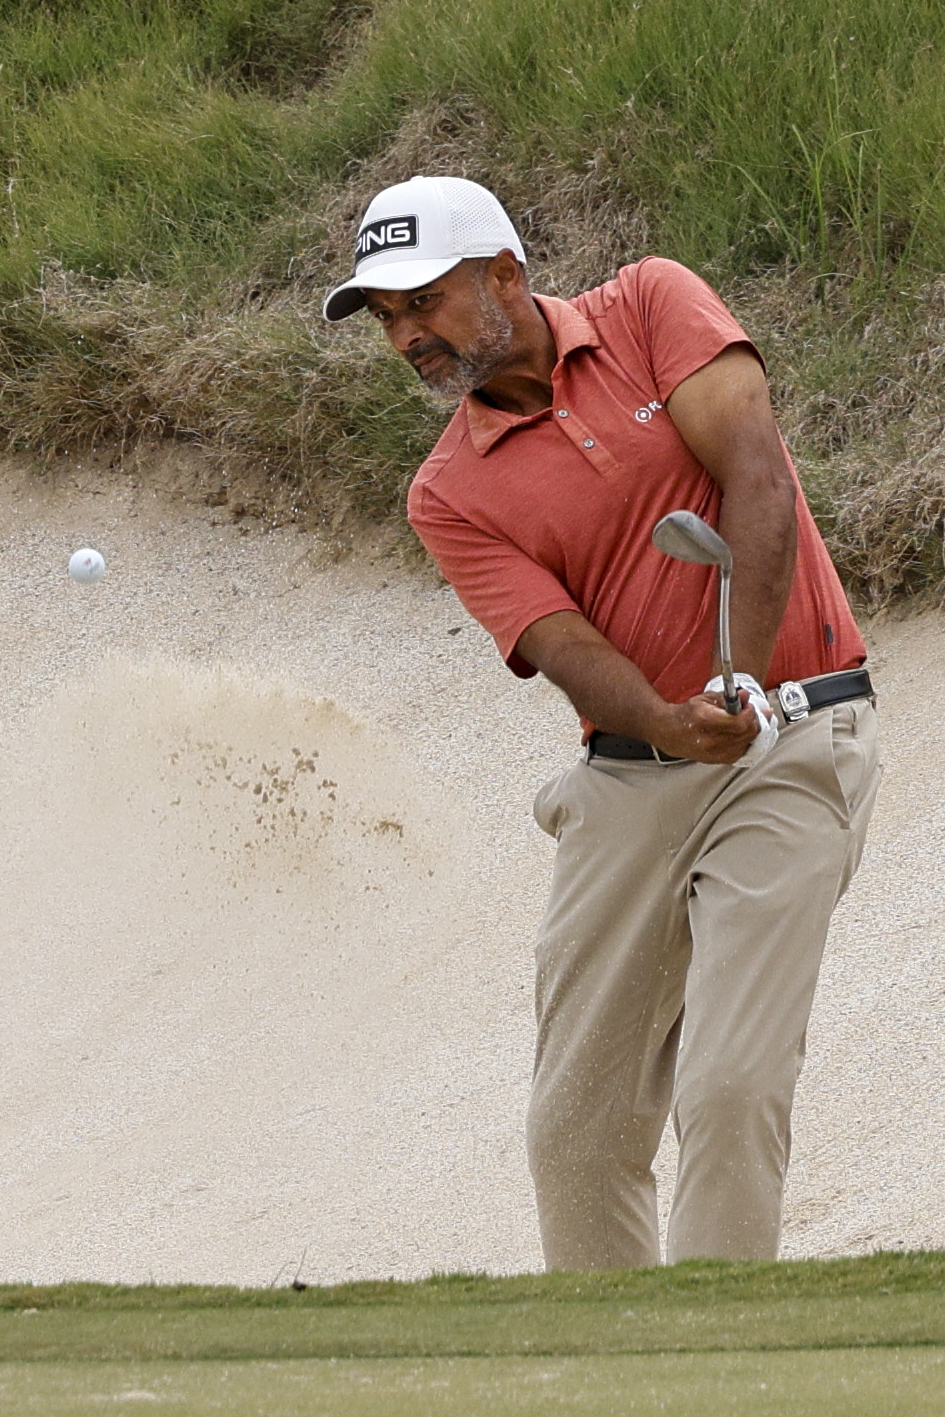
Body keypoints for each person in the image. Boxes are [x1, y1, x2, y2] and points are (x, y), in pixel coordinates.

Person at [323, 175, 882, 1270]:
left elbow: (757, 479)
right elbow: (562, 643)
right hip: (628, 776)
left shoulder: (651, 305)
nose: (407, 336)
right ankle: (612, 1353)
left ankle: (719, 1351)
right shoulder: (448, 492)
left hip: (790, 739)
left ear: (504, 275)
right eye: (387, 316)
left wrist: (737, 680)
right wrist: (672, 720)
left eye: (424, 302)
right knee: (575, 1131)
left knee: (729, 1087)